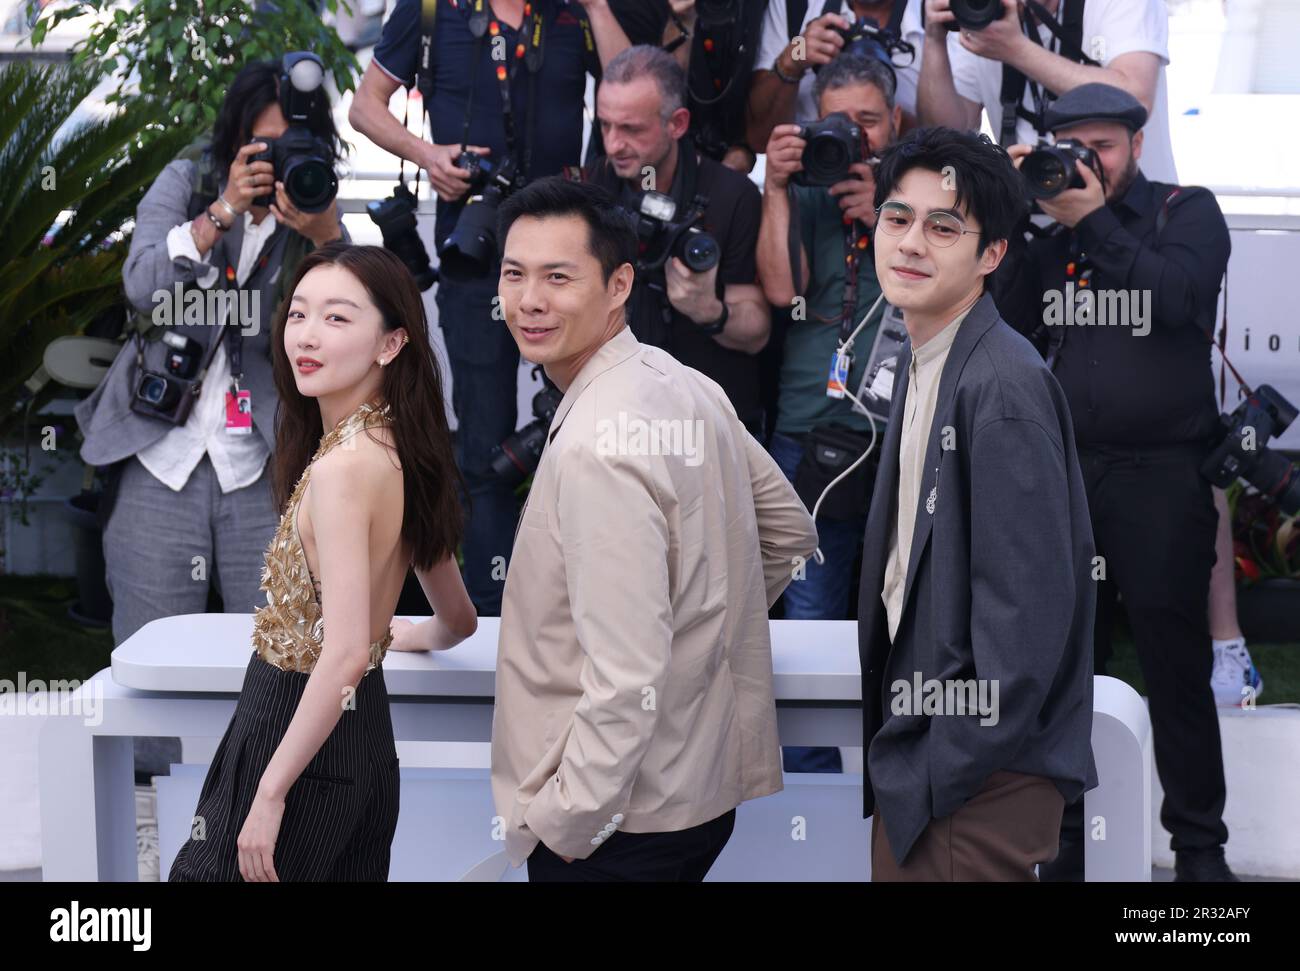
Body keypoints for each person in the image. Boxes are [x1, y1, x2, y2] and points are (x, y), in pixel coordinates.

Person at [491, 177, 818, 881]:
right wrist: (696, 632)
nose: (529, 300)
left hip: (619, 820)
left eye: (557, 276)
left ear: (618, 286)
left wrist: (569, 821)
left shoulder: (597, 446)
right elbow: (788, 532)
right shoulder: (683, 381)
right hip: (695, 792)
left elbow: (625, 673)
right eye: (514, 274)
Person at [74, 55, 349, 775]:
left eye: (290, 145)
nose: (274, 163)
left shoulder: (314, 201)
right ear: (232, 143)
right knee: (150, 647)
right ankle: (152, 803)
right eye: (260, 148)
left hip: (261, 457)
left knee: (279, 647)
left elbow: (359, 319)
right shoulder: (191, 182)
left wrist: (324, 233)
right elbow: (141, 284)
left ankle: (262, 791)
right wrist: (221, 210)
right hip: (162, 451)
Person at [169, 243, 478, 881]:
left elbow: (339, 654)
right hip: (364, 739)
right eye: (299, 315)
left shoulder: (343, 469)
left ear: (390, 344)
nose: (307, 337)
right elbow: (459, 617)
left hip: (294, 725)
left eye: (337, 319)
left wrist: (270, 792)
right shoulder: (401, 447)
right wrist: (400, 632)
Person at [992, 83, 1238, 881]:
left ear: (1136, 144)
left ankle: (1199, 846)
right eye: (1076, 146)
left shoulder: (1184, 211)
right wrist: (1016, 216)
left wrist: (1091, 221)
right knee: (1064, 663)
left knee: (1175, 662)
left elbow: (1178, 299)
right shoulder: (1050, 226)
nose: (1087, 162)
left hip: (1162, 475)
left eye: (1104, 146)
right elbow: (1006, 321)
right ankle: (1065, 837)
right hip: (1066, 474)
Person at [858, 126, 1097, 881]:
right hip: (929, 763)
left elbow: (1023, 622)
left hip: (971, 781)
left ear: (991, 254)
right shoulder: (927, 349)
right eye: (897, 218)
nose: (911, 243)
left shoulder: (1001, 387)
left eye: (944, 227)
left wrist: (946, 762)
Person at [350, 0, 614, 616]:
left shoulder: (575, 11)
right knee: (482, 450)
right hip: (477, 253)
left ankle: (588, 602)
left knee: (600, 428)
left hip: (571, 254)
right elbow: (365, 107)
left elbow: (633, 78)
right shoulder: (430, 11)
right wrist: (429, 156)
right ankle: (493, 618)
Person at [757, 52, 900, 773]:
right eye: (837, 121)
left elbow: (948, 296)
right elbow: (784, 291)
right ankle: (813, 784)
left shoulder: (927, 195)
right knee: (809, 612)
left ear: (895, 122)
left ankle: (895, 773)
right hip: (808, 424)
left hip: (901, 428)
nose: (854, 135)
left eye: (867, 121)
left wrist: (890, 219)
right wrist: (777, 187)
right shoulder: (806, 187)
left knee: (903, 610)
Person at [586, 44, 771, 436]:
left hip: (708, 423)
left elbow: (758, 333)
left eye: (631, 128)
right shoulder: (589, 190)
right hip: (611, 415)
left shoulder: (732, 195)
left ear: (678, 123)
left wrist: (710, 310)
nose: (613, 144)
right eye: (604, 125)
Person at [918, 0, 1178, 183]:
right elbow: (945, 132)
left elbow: (1135, 98)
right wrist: (934, 39)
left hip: (1132, 222)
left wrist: (1016, 50)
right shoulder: (977, 13)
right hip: (1029, 231)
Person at [599, 0, 771, 172]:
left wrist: (743, 148)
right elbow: (629, 92)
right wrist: (680, 23)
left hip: (727, 155)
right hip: (648, 161)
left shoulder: (758, 7)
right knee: (647, 191)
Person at [749, 0, 924, 151]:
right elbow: (760, 138)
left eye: (867, 119)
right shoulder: (794, 5)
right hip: (810, 173)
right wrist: (793, 57)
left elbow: (946, 143)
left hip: (897, 175)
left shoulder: (940, 12)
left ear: (895, 117)